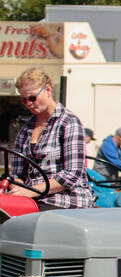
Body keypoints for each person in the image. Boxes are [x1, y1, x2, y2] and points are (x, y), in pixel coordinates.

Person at [6, 67, 94, 209]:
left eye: (32, 98)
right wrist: (18, 187)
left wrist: (30, 191)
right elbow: (17, 172)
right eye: (24, 100)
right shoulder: (25, 129)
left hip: (64, 199)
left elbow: (72, 174)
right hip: (32, 199)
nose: (29, 103)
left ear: (48, 90)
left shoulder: (69, 122)